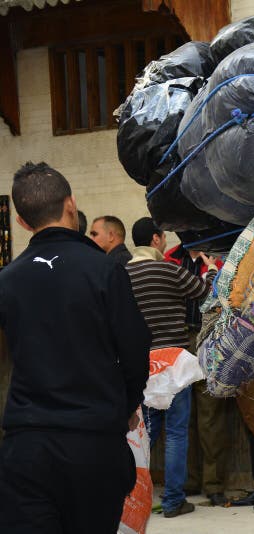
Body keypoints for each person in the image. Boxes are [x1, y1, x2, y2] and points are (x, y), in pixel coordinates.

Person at [0, 162, 150, 533]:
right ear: (71, 205)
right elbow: (134, 351)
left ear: (22, 222)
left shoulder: (7, 280)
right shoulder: (104, 271)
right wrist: (125, 406)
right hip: (93, 442)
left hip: (26, 446)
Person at [126, 217, 216, 518]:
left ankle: (143, 497)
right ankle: (174, 500)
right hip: (173, 361)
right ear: (155, 239)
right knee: (177, 432)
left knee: (146, 433)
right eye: (162, 238)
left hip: (140, 364)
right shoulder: (168, 269)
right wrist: (213, 270)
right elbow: (205, 294)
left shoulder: (122, 274)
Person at [164, 244, 230, 507]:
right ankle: (187, 481)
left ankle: (213, 484)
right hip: (177, 339)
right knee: (182, 416)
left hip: (207, 339)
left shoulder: (218, 259)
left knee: (210, 413)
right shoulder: (171, 258)